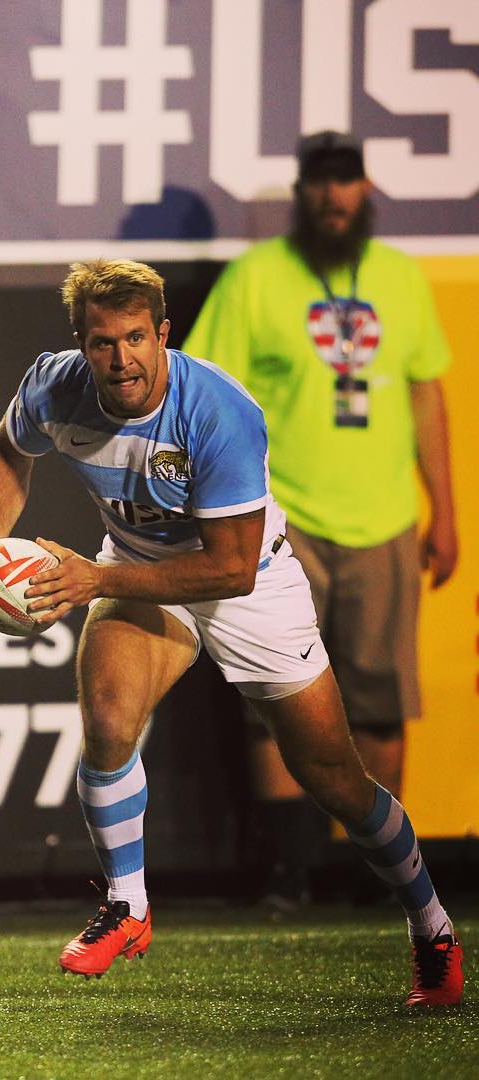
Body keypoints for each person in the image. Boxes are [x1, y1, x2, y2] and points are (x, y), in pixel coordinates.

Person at [0, 258, 462, 1006]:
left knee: (335, 778)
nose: (121, 359)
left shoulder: (218, 411)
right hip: (138, 565)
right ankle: (127, 905)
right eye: (103, 342)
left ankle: (433, 927)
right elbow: (6, 449)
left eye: (136, 338)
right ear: (81, 343)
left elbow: (230, 569)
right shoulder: (55, 385)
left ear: (163, 334)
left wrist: (96, 580)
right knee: (108, 719)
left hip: (249, 582)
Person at [183, 131, 458, 907]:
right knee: (277, 700)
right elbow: (207, 391)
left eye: (346, 181)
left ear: (366, 189)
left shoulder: (399, 277)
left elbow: (425, 394)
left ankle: (383, 876)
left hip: (384, 520)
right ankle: (291, 869)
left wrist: (445, 512)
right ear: (301, 192)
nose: (333, 195)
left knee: (379, 705)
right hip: (283, 521)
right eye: (320, 182)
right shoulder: (255, 277)